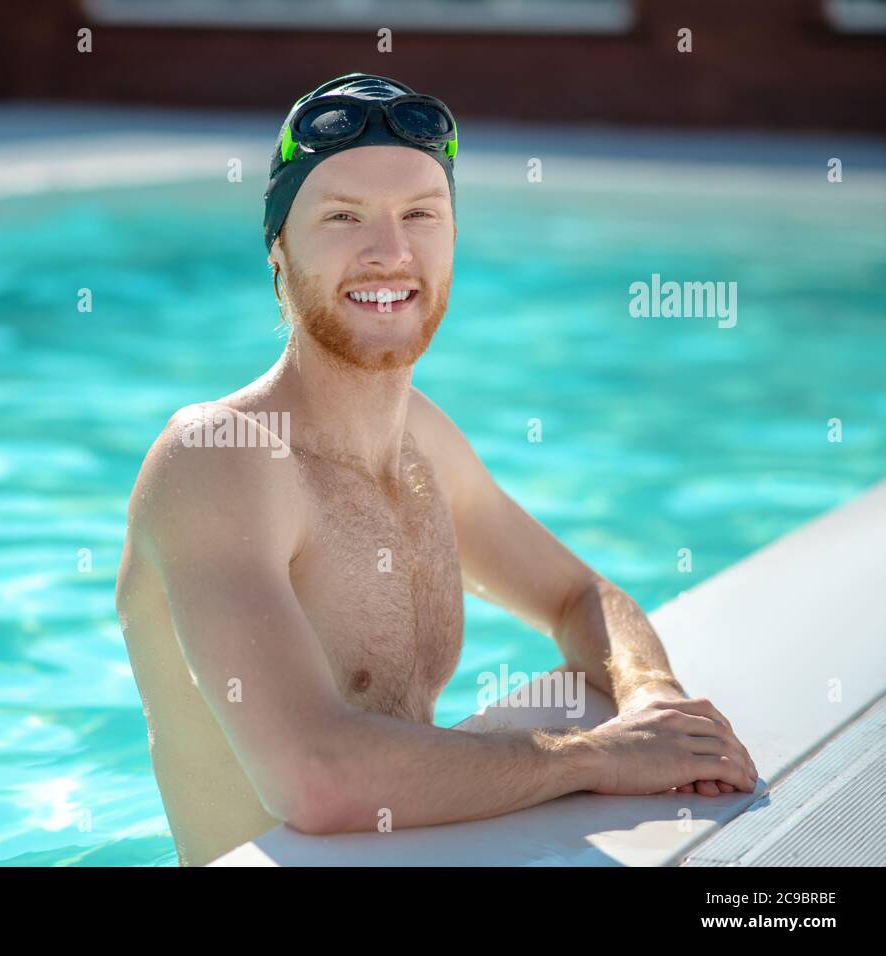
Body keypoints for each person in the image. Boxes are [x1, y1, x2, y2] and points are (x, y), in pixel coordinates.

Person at [115, 73, 757, 867]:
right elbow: (317, 781)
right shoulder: (219, 459)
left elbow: (577, 597)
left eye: (421, 214)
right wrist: (595, 758)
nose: (390, 252)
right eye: (343, 217)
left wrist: (651, 700)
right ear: (279, 250)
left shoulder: (422, 442)